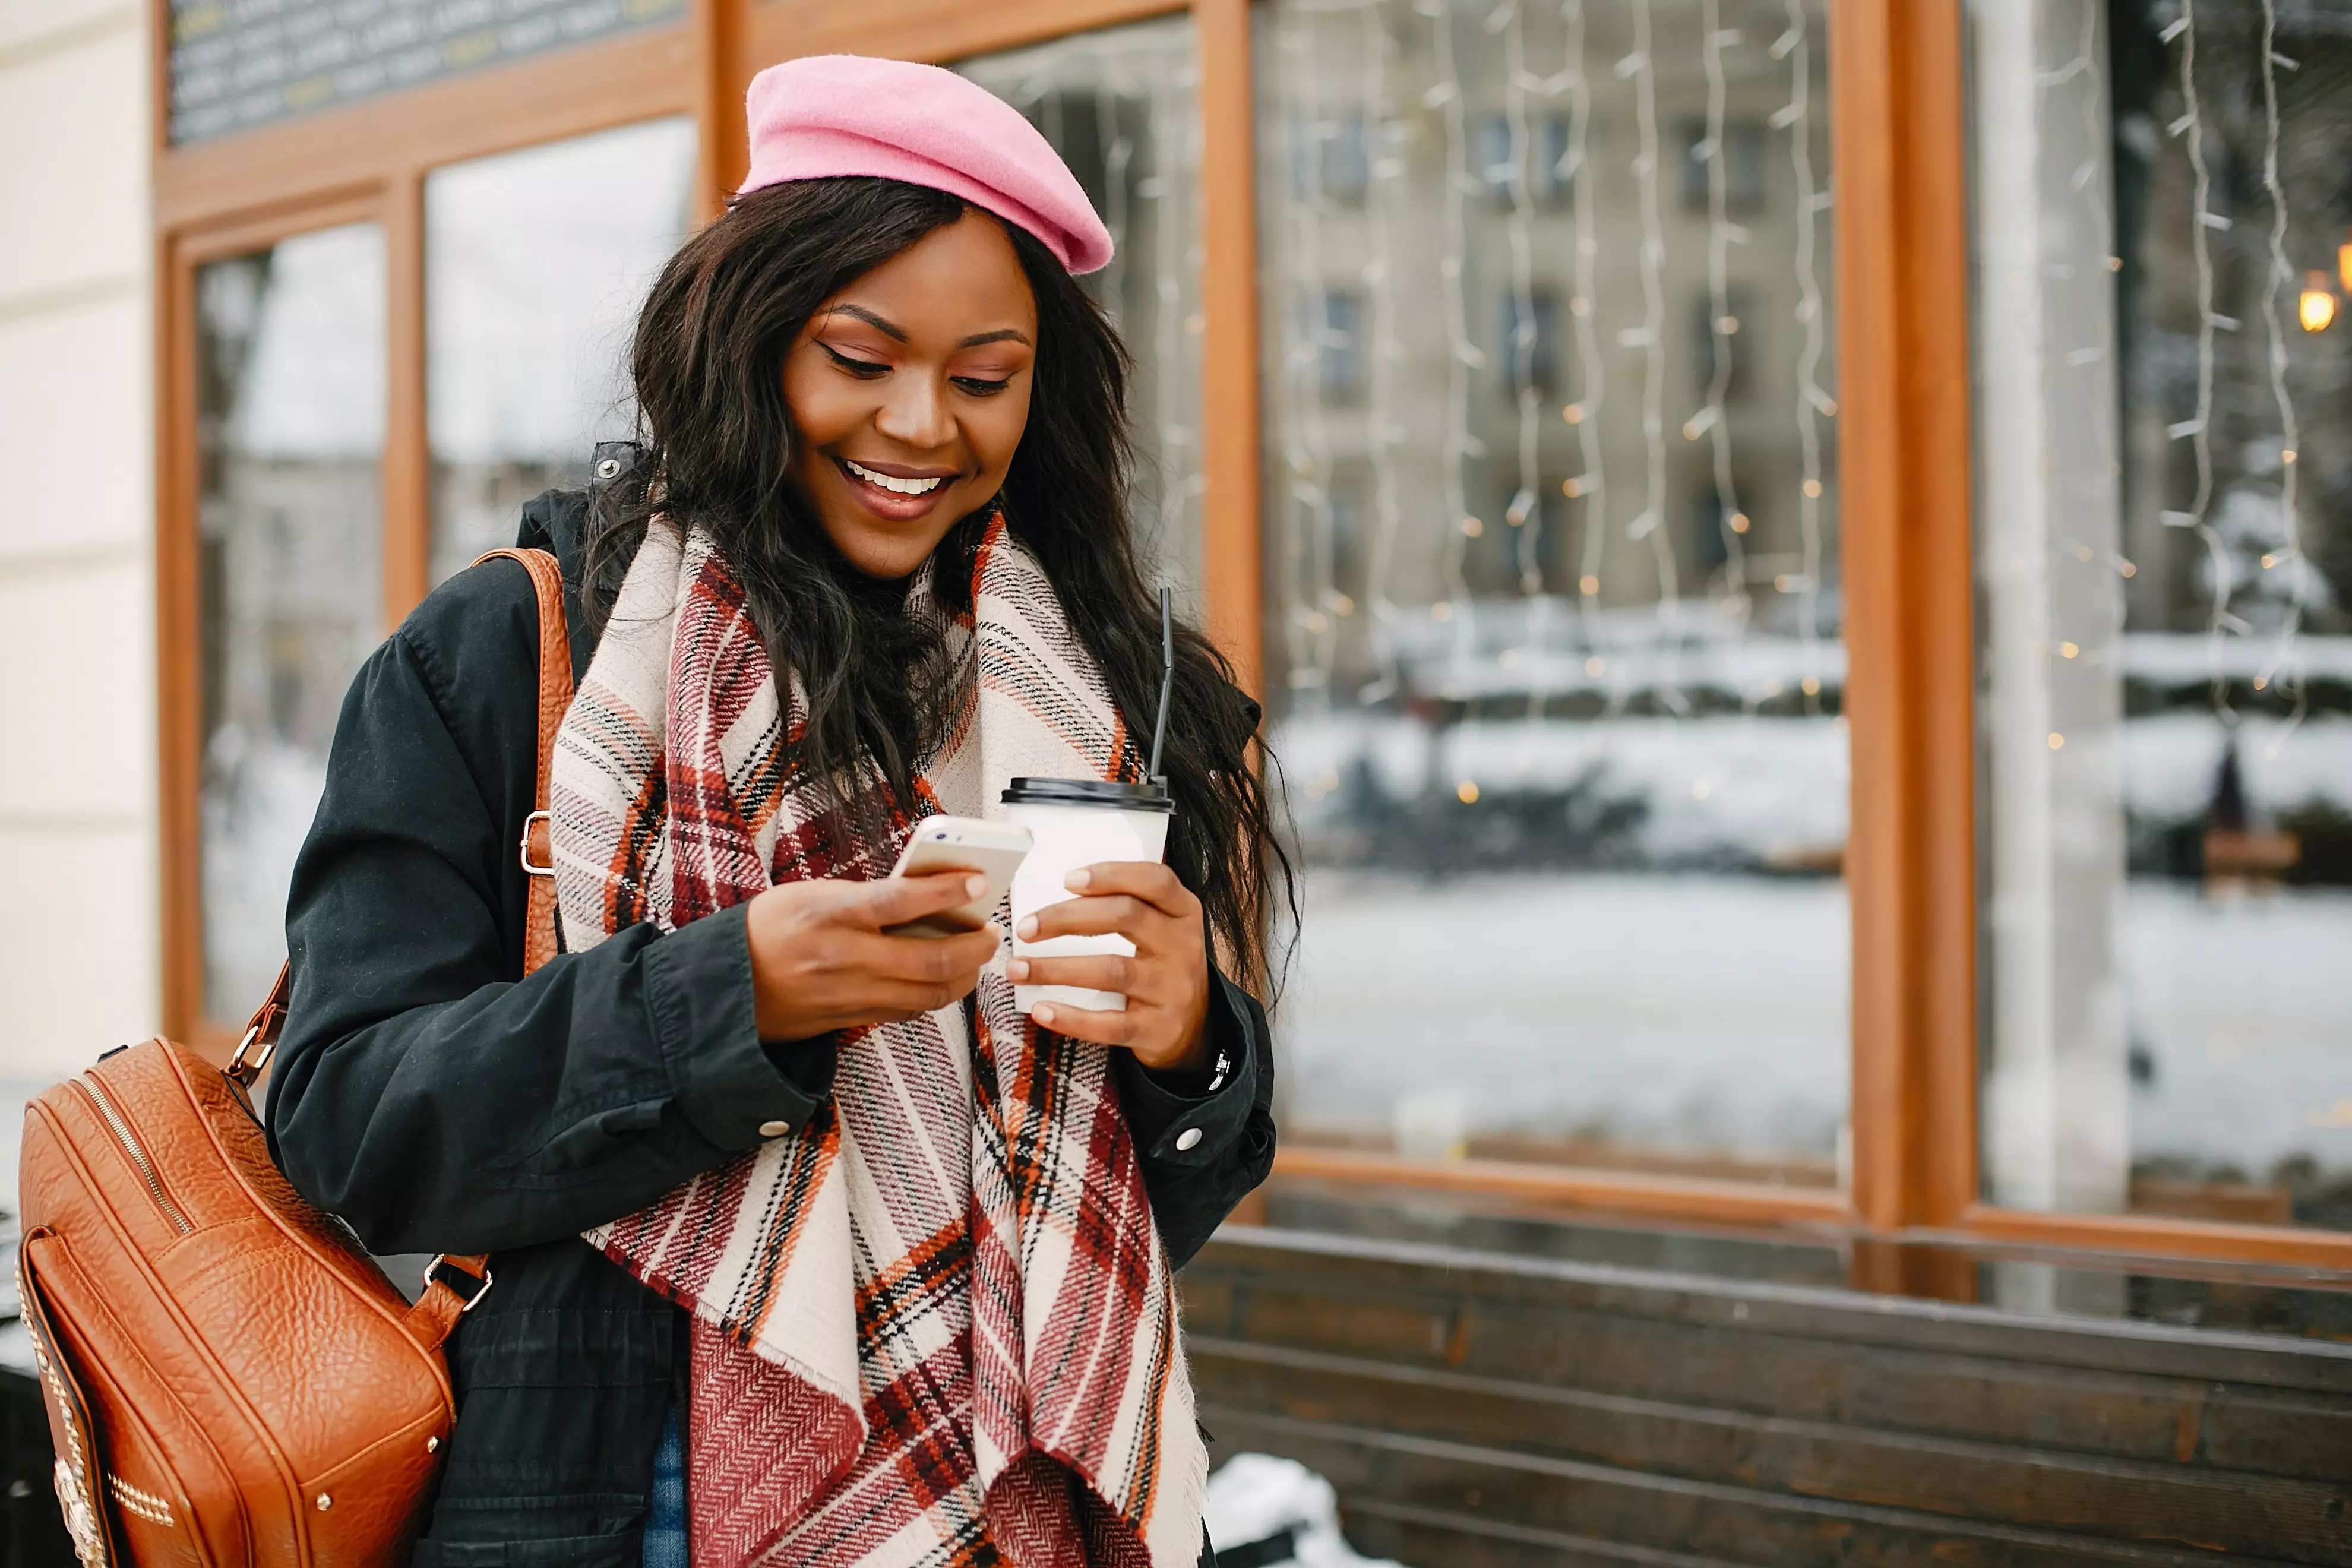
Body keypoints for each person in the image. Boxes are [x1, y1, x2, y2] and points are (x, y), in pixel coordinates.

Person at [267, 54, 1284, 1567]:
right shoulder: (513, 655)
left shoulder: (1097, 685)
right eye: (859, 357)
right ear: (749, 348)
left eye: (984, 377)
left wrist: (1192, 1039)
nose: (921, 424)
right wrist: (727, 996)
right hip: (634, 1504)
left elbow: (1121, 1221)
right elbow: (346, 1119)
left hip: (1026, 1505)